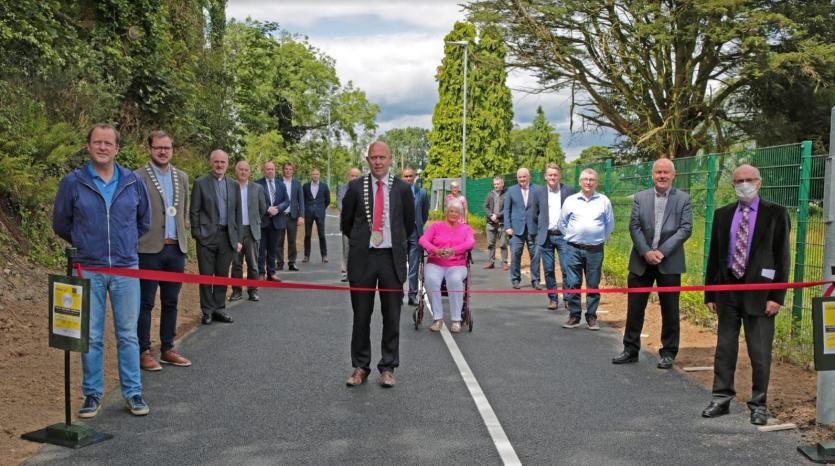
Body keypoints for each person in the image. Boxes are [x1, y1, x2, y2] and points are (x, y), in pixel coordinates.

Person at [52, 123, 151, 417]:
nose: (103, 147)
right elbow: (61, 222)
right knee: (92, 336)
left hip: (125, 269)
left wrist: (125, 243)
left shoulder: (133, 182)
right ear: (89, 146)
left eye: (108, 143)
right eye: (98, 142)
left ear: (117, 149)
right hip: (89, 269)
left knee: (128, 335)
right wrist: (85, 243)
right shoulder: (74, 181)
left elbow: (142, 221)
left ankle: (133, 392)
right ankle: (92, 394)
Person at [701, 164, 790, 426]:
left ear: (759, 183)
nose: (744, 184)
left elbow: (782, 257)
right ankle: (721, 397)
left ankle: (758, 403)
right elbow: (715, 255)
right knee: (725, 348)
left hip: (761, 295)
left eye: (749, 180)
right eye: (738, 181)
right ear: (732, 185)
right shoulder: (723, 214)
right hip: (728, 292)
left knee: (759, 351)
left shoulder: (776, 214)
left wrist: (777, 296)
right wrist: (710, 292)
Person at [341, 141, 414, 388]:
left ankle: (388, 367)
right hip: (363, 259)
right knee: (361, 316)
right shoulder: (354, 188)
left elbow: (409, 222)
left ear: (390, 158)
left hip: (390, 260)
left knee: (391, 316)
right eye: (374, 157)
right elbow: (346, 224)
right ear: (367, 159)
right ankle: (360, 366)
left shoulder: (403, 189)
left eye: (382, 157)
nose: (378, 162)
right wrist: (364, 241)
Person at [612, 158, 692, 369]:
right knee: (635, 308)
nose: (662, 176)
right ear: (652, 175)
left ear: (673, 175)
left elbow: (685, 229)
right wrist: (646, 251)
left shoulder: (683, 199)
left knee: (670, 309)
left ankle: (668, 352)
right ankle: (630, 349)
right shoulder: (641, 197)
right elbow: (634, 226)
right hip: (641, 261)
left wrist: (661, 252)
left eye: (666, 172)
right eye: (658, 172)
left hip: (670, 261)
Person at [135, 130, 192, 372]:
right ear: (150, 149)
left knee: (171, 301)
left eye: (167, 147)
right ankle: (143, 351)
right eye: (158, 147)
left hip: (175, 249)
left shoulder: (182, 177)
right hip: (148, 250)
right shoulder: (137, 177)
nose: (162, 151)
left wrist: (182, 237)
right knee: (145, 303)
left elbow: (184, 211)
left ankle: (168, 348)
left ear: (172, 150)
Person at [190, 150, 242, 325]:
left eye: (223, 162)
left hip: (227, 237)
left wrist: (238, 238)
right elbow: (194, 210)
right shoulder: (200, 183)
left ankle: (219, 308)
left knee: (222, 274)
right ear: (211, 163)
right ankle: (207, 311)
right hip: (206, 237)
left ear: (227, 164)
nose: (219, 165)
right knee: (206, 275)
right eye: (216, 162)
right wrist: (197, 233)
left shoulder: (234, 185)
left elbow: (237, 213)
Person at [559, 168, 614, 330]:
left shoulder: (604, 201)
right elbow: (562, 223)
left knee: (593, 283)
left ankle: (591, 316)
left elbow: (609, 225)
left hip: (595, 250)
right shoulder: (571, 200)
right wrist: (572, 236)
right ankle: (574, 316)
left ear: (596, 182)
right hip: (573, 249)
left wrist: (597, 238)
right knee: (573, 282)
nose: (588, 182)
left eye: (592, 179)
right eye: (585, 179)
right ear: (580, 182)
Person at [419, 199, 475, 333]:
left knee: (455, 280)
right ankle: (437, 319)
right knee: (431, 280)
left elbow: (470, 243)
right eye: (451, 211)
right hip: (436, 262)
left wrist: (454, 250)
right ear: (446, 212)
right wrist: (435, 250)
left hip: (457, 264)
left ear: (460, 214)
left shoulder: (466, 228)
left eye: (456, 212)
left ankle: (456, 320)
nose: (453, 214)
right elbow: (422, 240)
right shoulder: (435, 227)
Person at [532, 163, 576, 310]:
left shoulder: (568, 190)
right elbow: (534, 214)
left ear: (559, 176)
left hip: (564, 236)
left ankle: (568, 299)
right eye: (550, 175)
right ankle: (553, 299)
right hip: (546, 236)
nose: (552, 177)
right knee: (549, 269)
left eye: (555, 175)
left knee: (565, 268)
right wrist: (537, 233)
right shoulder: (539, 192)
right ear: (545, 176)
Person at [230, 161, 267, 302]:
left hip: (252, 231)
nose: (243, 172)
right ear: (236, 171)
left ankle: (253, 290)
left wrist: (254, 221)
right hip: (235, 232)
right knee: (236, 264)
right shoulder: (230, 187)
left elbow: (263, 208)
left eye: (246, 170)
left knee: (253, 263)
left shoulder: (257, 188)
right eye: (241, 169)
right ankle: (236, 291)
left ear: (249, 172)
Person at [503, 167, 541, 290]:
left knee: (535, 256)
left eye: (524, 177)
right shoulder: (511, 190)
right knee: (515, 255)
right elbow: (506, 210)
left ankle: (535, 280)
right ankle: (515, 279)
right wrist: (507, 226)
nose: (522, 179)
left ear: (528, 177)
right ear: (517, 178)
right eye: (520, 177)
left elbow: (541, 210)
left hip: (533, 229)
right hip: (516, 229)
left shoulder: (538, 189)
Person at [256, 161, 289, 281]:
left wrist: (278, 209)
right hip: (262, 221)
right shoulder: (257, 184)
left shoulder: (281, 184)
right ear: (264, 171)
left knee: (273, 249)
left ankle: (271, 273)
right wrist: (267, 209)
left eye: (272, 169)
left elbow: (287, 201)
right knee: (261, 250)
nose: (270, 171)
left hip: (277, 221)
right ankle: (261, 273)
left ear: (275, 171)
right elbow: (255, 201)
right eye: (268, 169)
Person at [402, 167, 430, 306]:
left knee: (413, 266)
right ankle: (398, 294)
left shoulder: (422, 193)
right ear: (402, 177)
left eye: (410, 176)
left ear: (414, 177)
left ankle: (412, 295)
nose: (408, 179)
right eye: (405, 176)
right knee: (399, 265)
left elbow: (425, 214)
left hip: (415, 233)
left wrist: (417, 224)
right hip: (400, 234)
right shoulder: (396, 193)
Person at [277, 162, 305, 271]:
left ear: (293, 171)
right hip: (280, 216)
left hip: (292, 216)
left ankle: (292, 263)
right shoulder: (278, 182)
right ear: (283, 170)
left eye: (290, 169)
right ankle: (279, 263)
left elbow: (301, 201)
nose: (288, 171)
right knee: (279, 241)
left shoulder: (297, 184)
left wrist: (301, 216)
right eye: (286, 169)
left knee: (292, 241)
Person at [337, 167, 362, 282]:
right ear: (348, 176)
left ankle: (357, 271)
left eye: (357, 176)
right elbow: (339, 204)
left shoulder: (364, 189)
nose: (355, 178)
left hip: (360, 224)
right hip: (347, 224)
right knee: (346, 249)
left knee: (359, 249)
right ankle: (345, 272)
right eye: (353, 175)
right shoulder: (342, 188)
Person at [302, 168, 331, 263]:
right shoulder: (305, 186)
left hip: (320, 213)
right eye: (313, 174)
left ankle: (324, 256)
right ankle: (306, 256)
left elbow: (328, 200)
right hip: (308, 213)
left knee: (322, 235)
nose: (315, 176)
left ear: (319, 175)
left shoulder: (324, 186)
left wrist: (321, 208)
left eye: (317, 174)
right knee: (307, 235)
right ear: (311, 175)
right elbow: (303, 200)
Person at [483, 176, 509, 270]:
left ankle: (504, 263)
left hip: (502, 223)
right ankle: (491, 262)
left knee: (503, 244)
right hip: (490, 223)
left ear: (502, 184)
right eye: (494, 184)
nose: (496, 186)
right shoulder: (490, 194)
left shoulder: (507, 194)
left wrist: (497, 216)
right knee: (490, 244)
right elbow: (485, 207)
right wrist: (491, 216)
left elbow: (507, 208)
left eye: (498, 184)